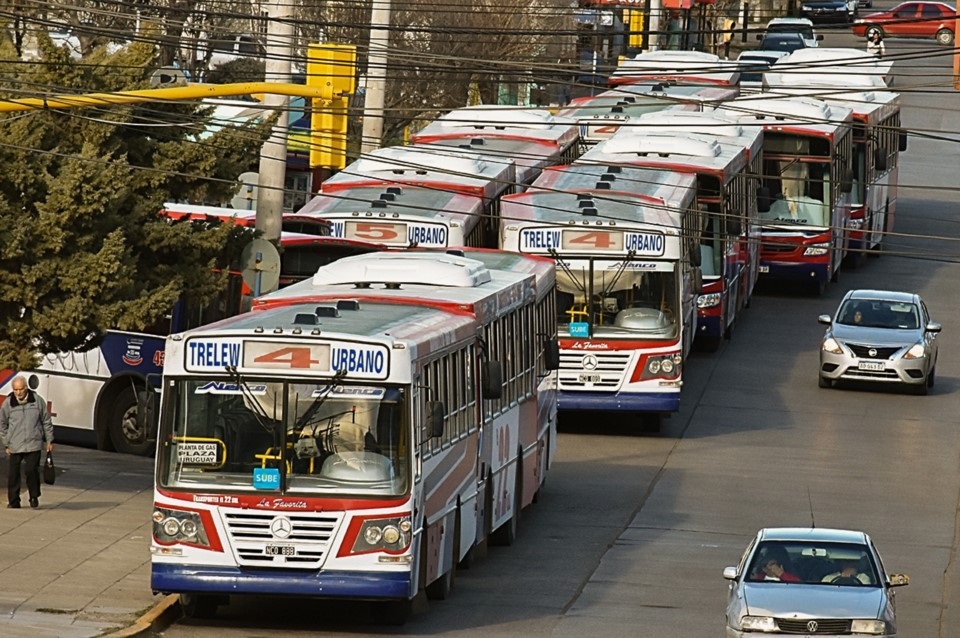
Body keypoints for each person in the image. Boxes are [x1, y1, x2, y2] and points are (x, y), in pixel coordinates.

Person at [0, 377, 54, 509]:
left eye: (21, 389)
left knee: (31, 471)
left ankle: (34, 496)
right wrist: (6, 443)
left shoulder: (37, 401)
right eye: (15, 390)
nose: (18, 393)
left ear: (26, 388)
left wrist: (49, 440)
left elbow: (46, 421)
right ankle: (14, 501)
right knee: (13, 474)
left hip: (33, 443)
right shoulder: (8, 404)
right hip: (15, 444)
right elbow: (2, 425)